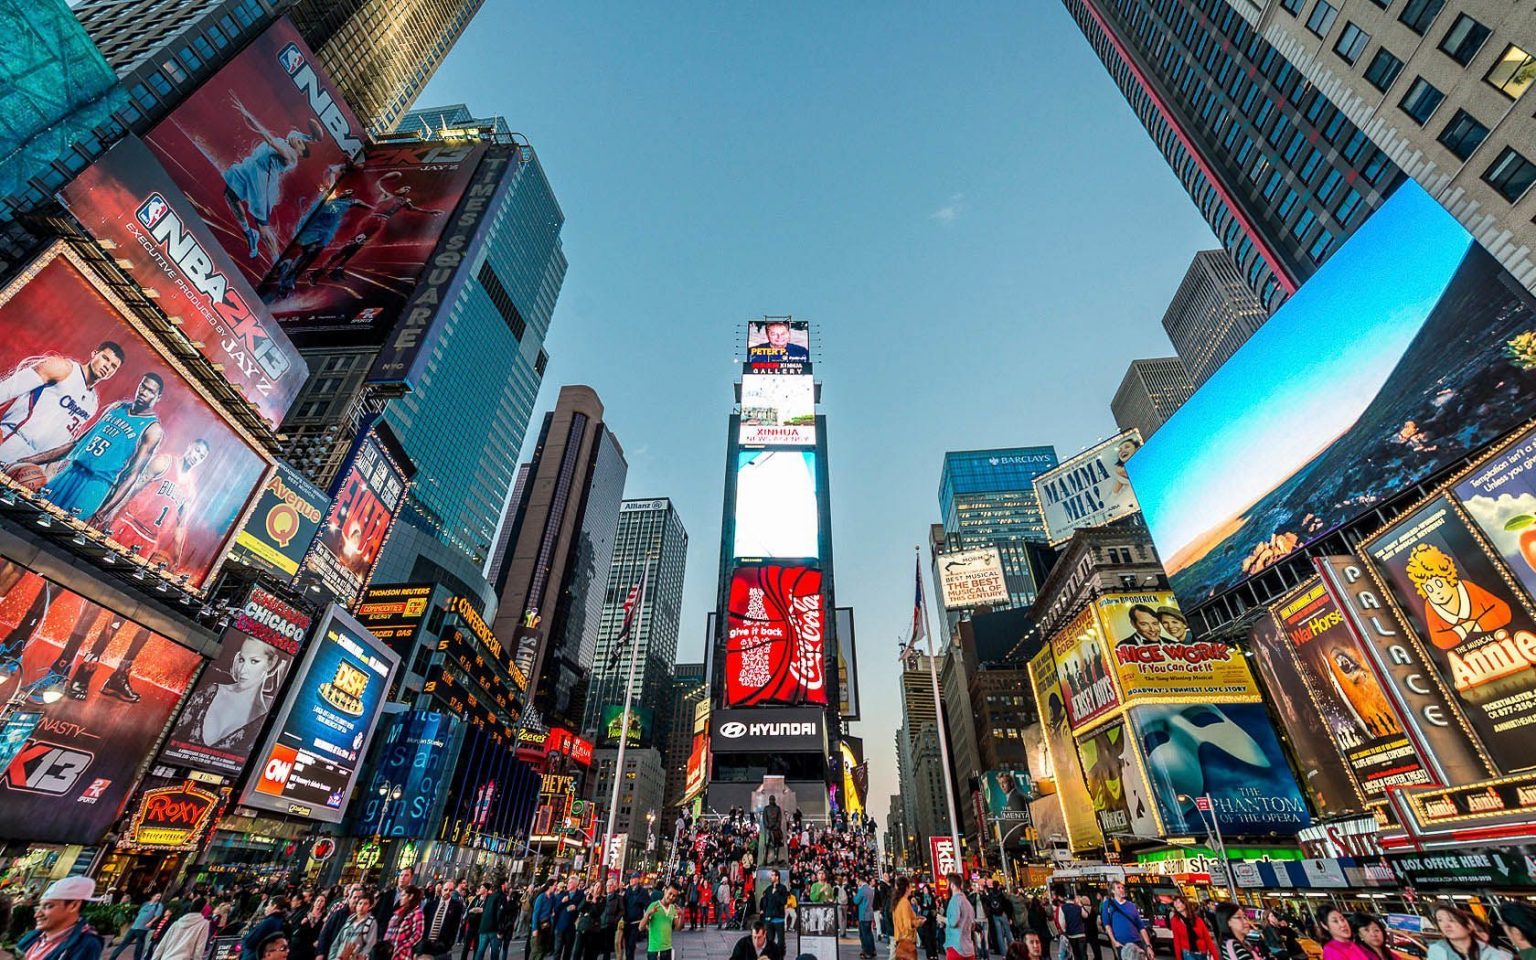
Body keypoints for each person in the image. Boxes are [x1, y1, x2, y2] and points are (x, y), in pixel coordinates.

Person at [0, 343, 123, 467]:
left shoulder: (93, 403)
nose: (107, 366)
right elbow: (6, 389)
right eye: (105, 358)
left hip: (36, 463)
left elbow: (65, 441)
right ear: (94, 354)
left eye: (113, 366)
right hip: (13, 441)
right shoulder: (62, 368)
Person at [17, 877, 104, 960]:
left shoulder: (86, 944)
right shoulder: (33, 935)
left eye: (48, 906)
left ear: (74, 906)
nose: (37, 914)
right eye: (38, 907)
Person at [1429, 904, 1513, 960]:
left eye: (1452, 920)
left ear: (1469, 926)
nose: (1446, 925)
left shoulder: (1495, 955)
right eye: (1440, 921)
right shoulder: (1437, 951)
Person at [1099, 883, 1149, 960]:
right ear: (1113, 891)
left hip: (1136, 942)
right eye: (1118, 888)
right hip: (1122, 944)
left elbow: (1141, 926)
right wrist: (1115, 942)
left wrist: (1148, 945)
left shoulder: (1131, 905)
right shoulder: (1108, 904)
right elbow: (1107, 925)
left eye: (1122, 888)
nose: (1121, 890)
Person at [110, 894, 164, 960]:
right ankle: (112, 958)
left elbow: (157, 915)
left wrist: (151, 922)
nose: (158, 898)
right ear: (153, 896)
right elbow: (139, 913)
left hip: (143, 928)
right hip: (134, 927)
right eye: (157, 896)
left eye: (159, 897)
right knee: (123, 944)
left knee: (139, 947)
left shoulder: (158, 905)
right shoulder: (145, 904)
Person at [327, 893, 377, 960]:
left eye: (365, 904)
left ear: (370, 906)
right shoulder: (349, 920)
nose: (362, 906)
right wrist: (332, 957)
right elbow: (337, 942)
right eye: (360, 903)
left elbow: (370, 946)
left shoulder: (371, 923)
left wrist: (361, 956)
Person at [422, 885, 466, 960]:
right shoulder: (431, 904)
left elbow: (455, 927)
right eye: (446, 889)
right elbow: (424, 922)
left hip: (441, 945)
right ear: (442, 890)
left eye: (450, 890)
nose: (447, 892)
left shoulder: (456, 906)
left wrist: (449, 944)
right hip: (426, 942)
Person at [639, 886, 678, 960]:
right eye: (670, 894)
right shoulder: (654, 905)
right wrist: (648, 914)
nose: (671, 897)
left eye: (674, 896)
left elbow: (678, 928)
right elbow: (640, 927)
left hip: (667, 949)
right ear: (665, 891)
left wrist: (681, 915)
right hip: (655, 950)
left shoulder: (673, 908)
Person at [385, 887, 424, 960]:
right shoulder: (398, 912)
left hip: (402, 954)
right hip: (389, 951)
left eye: (403, 895)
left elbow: (418, 934)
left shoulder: (417, 913)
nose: (400, 898)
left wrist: (403, 945)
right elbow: (389, 931)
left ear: (411, 896)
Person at [552, 877, 585, 960]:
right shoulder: (563, 894)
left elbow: (583, 907)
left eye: (570, 883)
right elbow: (555, 909)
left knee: (568, 951)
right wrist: (562, 902)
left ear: (575, 884)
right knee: (557, 951)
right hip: (560, 926)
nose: (568, 884)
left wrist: (576, 907)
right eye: (568, 882)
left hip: (571, 927)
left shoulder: (581, 895)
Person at [760, 871, 789, 955]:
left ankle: (780, 956)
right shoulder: (768, 889)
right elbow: (765, 902)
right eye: (771, 875)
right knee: (769, 940)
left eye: (772, 875)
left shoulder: (782, 888)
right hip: (769, 918)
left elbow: (783, 901)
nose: (771, 877)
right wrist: (764, 914)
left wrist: (776, 893)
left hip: (778, 918)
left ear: (777, 877)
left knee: (780, 941)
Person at [291, 896, 329, 960]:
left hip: (310, 949)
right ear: (314, 903)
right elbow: (293, 926)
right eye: (318, 900)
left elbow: (324, 933)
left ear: (324, 904)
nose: (319, 903)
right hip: (297, 945)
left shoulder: (324, 918)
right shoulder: (304, 913)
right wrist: (301, 923)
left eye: (322, 901)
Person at [892, 878, 919, 960]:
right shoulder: (905, 902)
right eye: (910, 887)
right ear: (906, 888)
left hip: (900, 940)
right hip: (907, 942)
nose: (911, 889)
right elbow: (908, 925)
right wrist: (918, 922)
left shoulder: (897, 902)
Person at [1055, 893, 1086, 960]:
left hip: (1071, 935)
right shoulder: (1078, 907)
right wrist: (1080, 905)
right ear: (1074, 899)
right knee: (1083, 954)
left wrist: (1064, 931)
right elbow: (1085, 915)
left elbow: (1061, 922)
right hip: (1081, 933)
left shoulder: (1062, 908)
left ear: (1066, 899)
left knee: (1076, 953)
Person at [856, 877, 877, 960]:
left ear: (861, 881)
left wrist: (855, 894)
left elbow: (856, 901)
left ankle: (867, 952)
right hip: (869, 913)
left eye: (858, 881)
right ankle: (872, 950)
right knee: (869, 934)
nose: (857, 883)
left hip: (863, 915)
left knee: (864, 935)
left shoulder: (862, 890)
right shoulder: (870, 889)